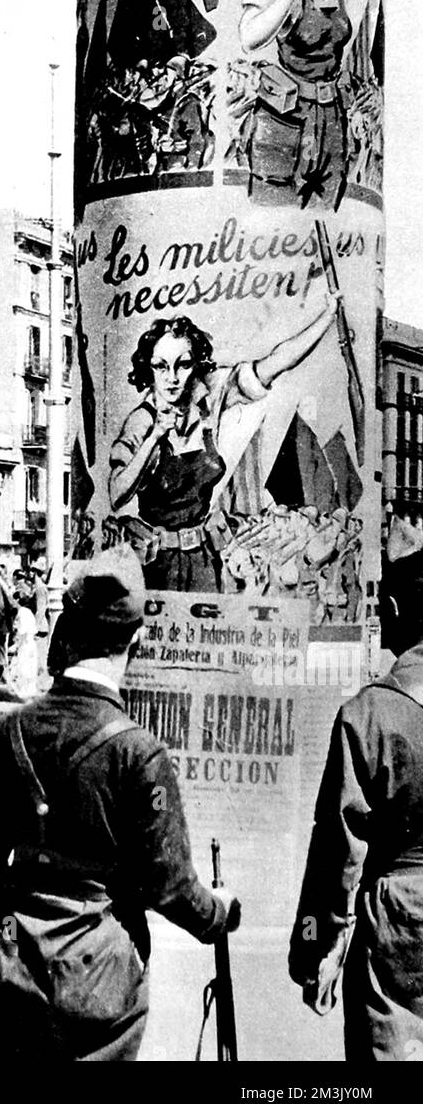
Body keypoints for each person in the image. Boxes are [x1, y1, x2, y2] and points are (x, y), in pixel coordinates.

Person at [0, 545, 241, 1062]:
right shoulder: (139, 753)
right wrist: (218, 914)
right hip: (102, 978)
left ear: (67, 636)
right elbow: (171, 888)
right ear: (135, 638)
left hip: (17, 968)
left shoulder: (4, 735)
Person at [288, 546, 423, 1059]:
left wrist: (316, 947)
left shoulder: (366, 716)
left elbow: (338, 853)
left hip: (397, 925)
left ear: (390, 610)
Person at [108, 305, 342, 592]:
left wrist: (327, 316)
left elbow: (275, 363)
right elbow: (117, 493)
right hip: (155, 565)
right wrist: (156, 436)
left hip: (203, 560)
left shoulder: (208, 400)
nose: (172, 377)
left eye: (183, 365)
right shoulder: (141, 421)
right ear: (149, 368)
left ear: (195, 365)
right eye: (161, 366)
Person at [239, 0, 384, 209]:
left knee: (327, 216)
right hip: (285, 119)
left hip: (331, 118)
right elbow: (249, 36)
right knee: (274, 214)